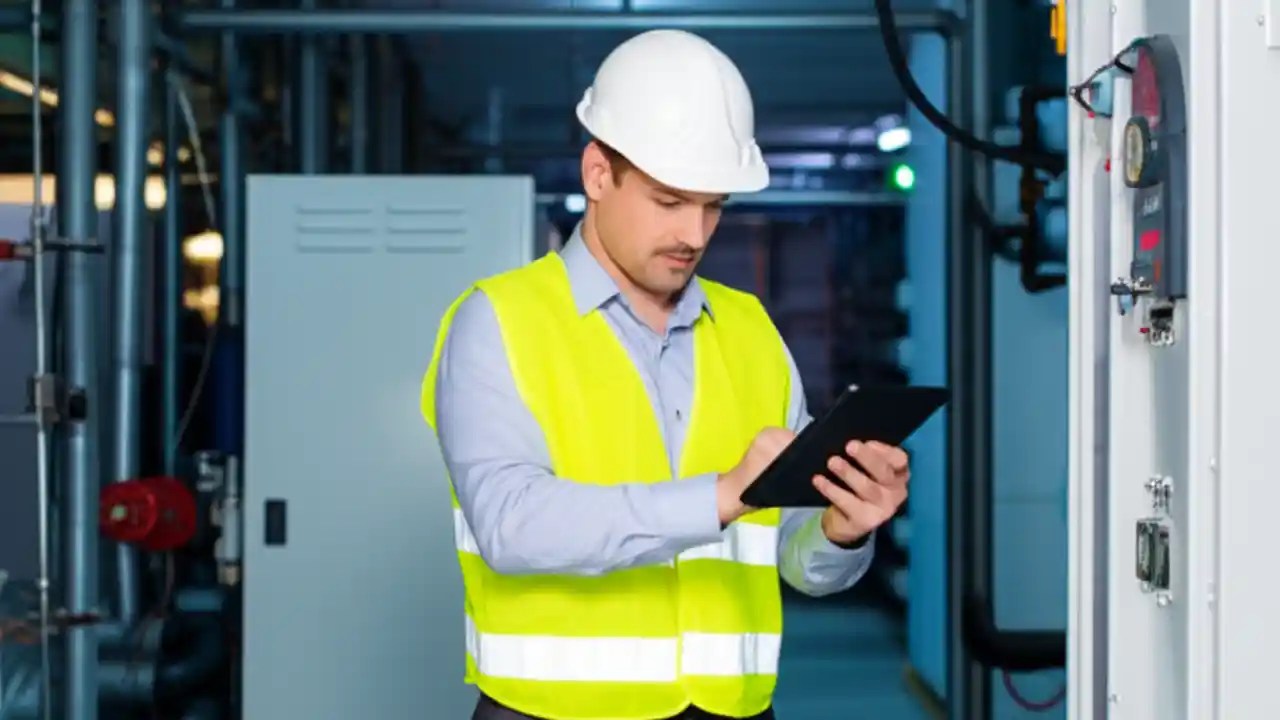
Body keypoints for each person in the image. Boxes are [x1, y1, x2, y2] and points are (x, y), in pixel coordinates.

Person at [421, 28, 911, 720]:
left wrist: (844, 530)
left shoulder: (751, 332)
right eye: (670, 201)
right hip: (553, 712)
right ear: (598, 174)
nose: (696, 234)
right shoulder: (497, 321)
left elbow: (799, 563)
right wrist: (720, 495)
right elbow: (510, 523)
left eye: (714, 206)